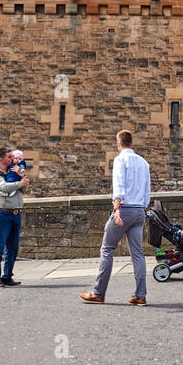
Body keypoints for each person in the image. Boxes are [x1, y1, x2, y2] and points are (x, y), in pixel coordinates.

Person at [80, 130, 152, 305]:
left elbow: (119, 183)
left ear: (118, 144)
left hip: (124, 209)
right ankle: (140, 295)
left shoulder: (120, 160)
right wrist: (142, 208)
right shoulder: (144, 162)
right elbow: (147, 189)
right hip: (138, 211)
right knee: (137, 253)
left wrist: (117, 209)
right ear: (132, 143)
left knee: (107, 249)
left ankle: (98, 292)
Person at [0, 146, 28, 287]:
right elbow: (4, 187)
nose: (13, 159)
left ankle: (7, 277)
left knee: (13, 248)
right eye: (10, 157)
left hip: (15, 214)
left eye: (13, 156)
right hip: (3, 214)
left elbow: (24, 188)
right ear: (2, 159)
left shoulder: (14, 170)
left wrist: (22, 176)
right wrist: (20, 183)